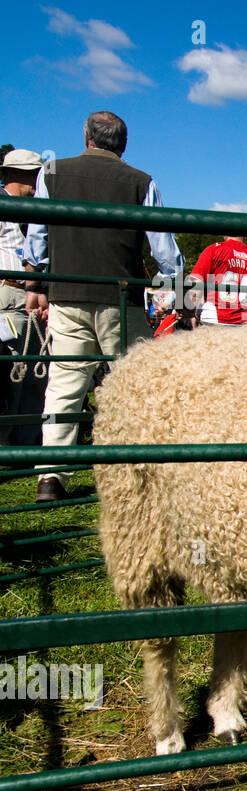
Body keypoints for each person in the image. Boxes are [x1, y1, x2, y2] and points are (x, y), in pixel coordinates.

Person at [23, 111, 182, 501]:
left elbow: (37, 234)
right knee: (133, 385)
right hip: (120, 297)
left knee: (64, 383)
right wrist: (174, 289)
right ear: (123, 144)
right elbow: (164, 248)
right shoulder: (141, 181)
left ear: (85, 137)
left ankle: (50, 477)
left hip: (68, 294)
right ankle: (137, 471)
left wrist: (34, 284)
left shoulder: (52, 172)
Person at [1, 149, 48, 447]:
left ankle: (28, 442)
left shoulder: (39, 210)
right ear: (10, 174)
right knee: (9, 370)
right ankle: (7, 444)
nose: (35, 180)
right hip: (7, 292)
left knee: (36, 371)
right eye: (30, 173)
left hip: (35, 295)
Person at [189, 236, 247, 325]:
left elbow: (195, 284)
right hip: (244, 322)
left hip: (214, 317)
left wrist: (190, 310)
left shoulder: (215, 249)